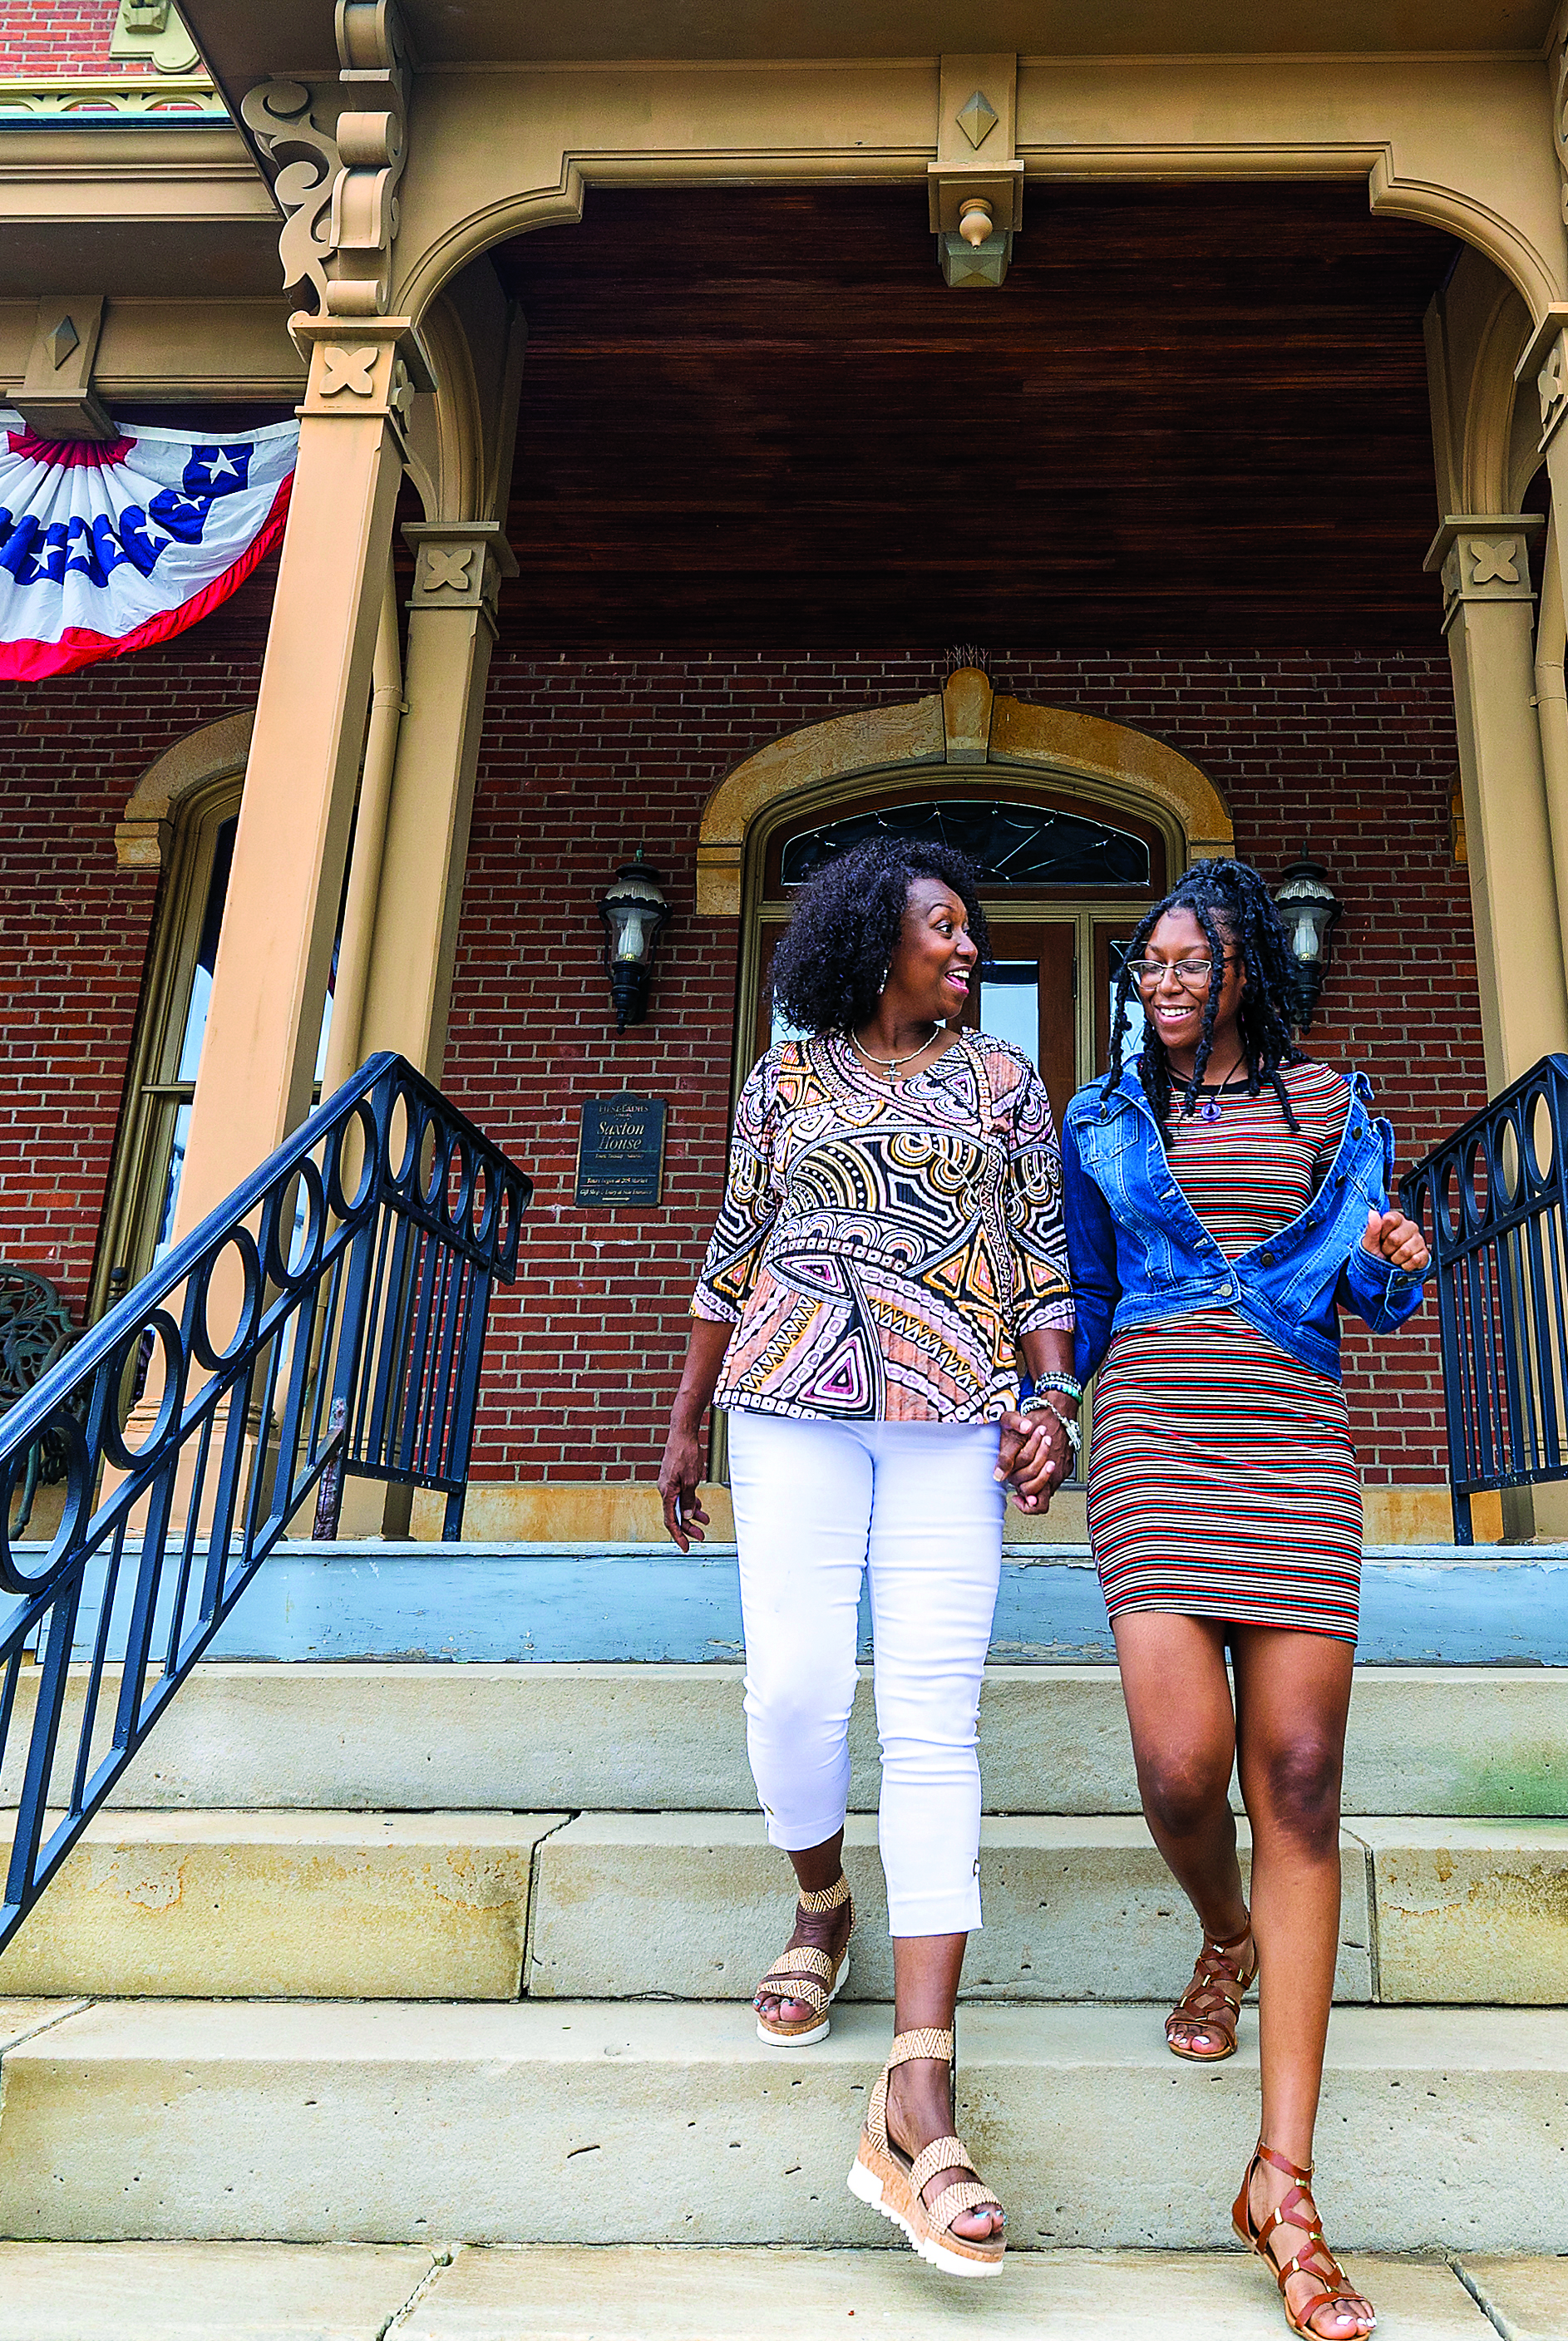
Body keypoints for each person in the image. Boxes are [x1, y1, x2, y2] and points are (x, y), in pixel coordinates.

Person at [659, 833, 1076, 2279]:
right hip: (790, 1402)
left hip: (955, 1412)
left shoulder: (1008, 1083)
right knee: (788, 1689)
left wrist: (1052, 1399)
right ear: (870, 940)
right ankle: (821, 1899)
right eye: (944, 930)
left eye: (973, 933)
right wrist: (682, 1420)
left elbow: (1040, 1259)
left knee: (932, 1723)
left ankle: (918, 2082)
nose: (969, 951)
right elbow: (731, 1248)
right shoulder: (781, 1078)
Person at [1058, 857, 1430, 2341]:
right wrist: (1038, 1402)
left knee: (1298, 1775)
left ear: (1244, 972)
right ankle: (1224, 1929)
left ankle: (1285, 2183)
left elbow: (1373, 1287)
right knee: (1181, 1770)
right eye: (1143, 962)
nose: (1157, 979)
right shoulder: (1099, 1119)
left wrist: (1399, 1258)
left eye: (1183, 959)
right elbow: (1083, 1302)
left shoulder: (1336, 1110)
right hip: (1152, 1435)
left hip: (1291, 1436)